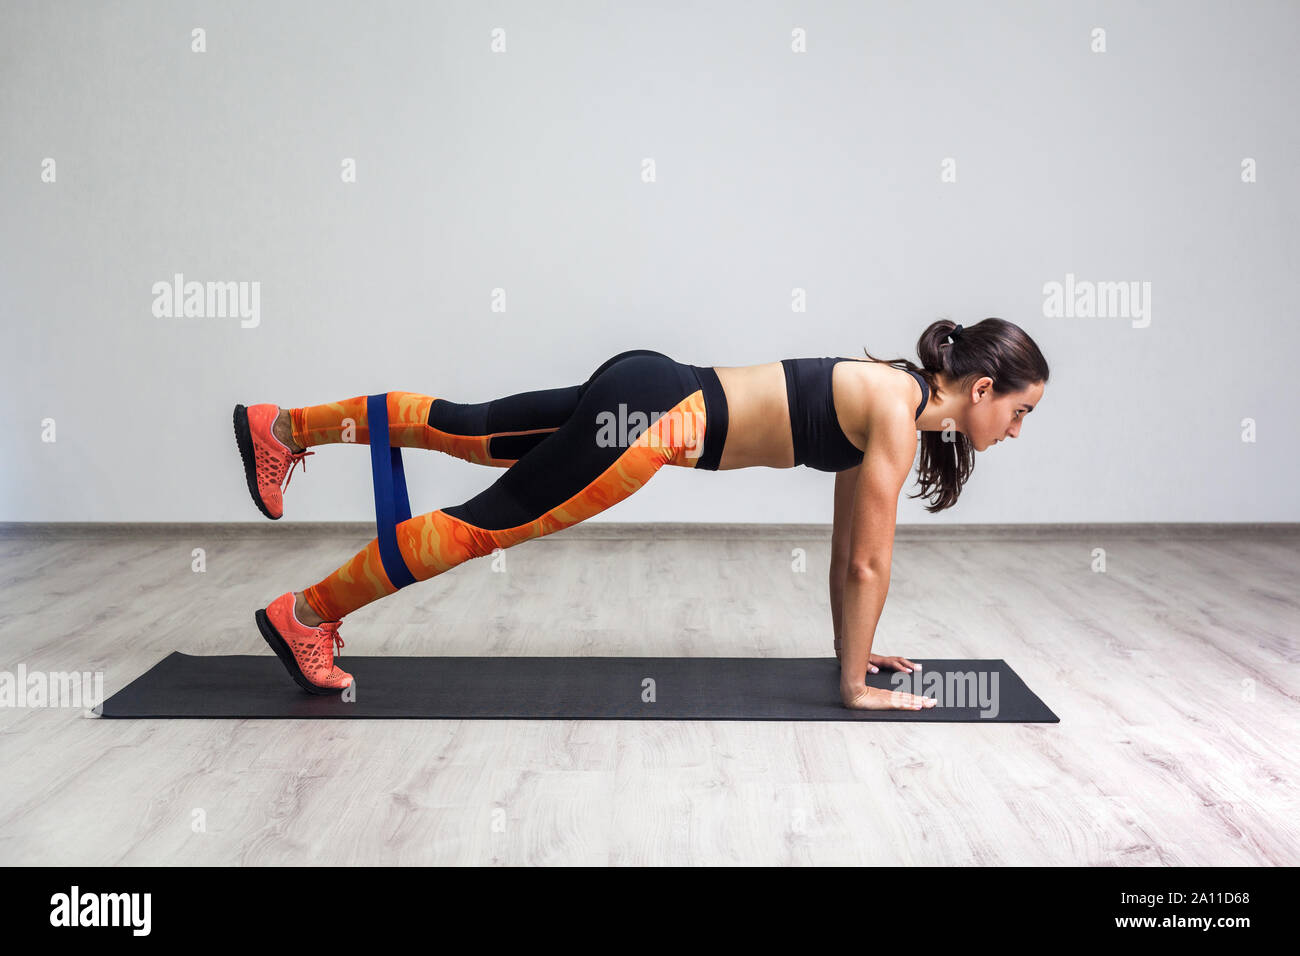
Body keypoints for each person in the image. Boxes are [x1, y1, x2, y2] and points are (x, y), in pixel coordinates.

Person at [233, 318, 1049, 710]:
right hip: (657, 427)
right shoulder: (898, 416)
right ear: (982, 389)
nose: (1015, 431)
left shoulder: (889, 391)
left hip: (649, 380)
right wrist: (852, 686)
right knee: (488, 520)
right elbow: (869, 564)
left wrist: (858, 656)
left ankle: (283, 425)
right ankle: (307, 614)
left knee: (470, 428)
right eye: (1018, 413)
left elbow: (848, 555)